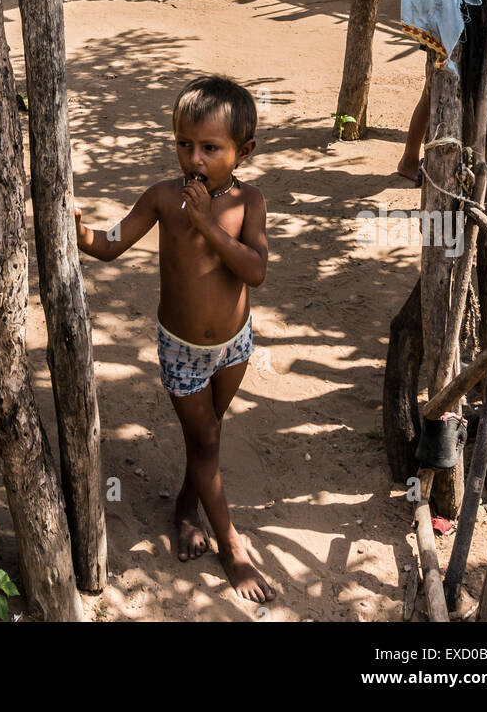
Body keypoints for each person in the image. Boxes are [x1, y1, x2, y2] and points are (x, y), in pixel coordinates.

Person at [74, 74, 276, 604]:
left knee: (205, 435)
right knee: (206, 440)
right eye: (184, 145)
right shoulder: (164, 199)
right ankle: (232, 548)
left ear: (243, 151)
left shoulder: (248, 203)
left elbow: (255, 271)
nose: (195, 159)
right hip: (182, 351)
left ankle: (186, 508)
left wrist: (209, 226)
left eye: (211, 148)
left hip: (233, 346)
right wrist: (81, 233)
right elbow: (113, 244)